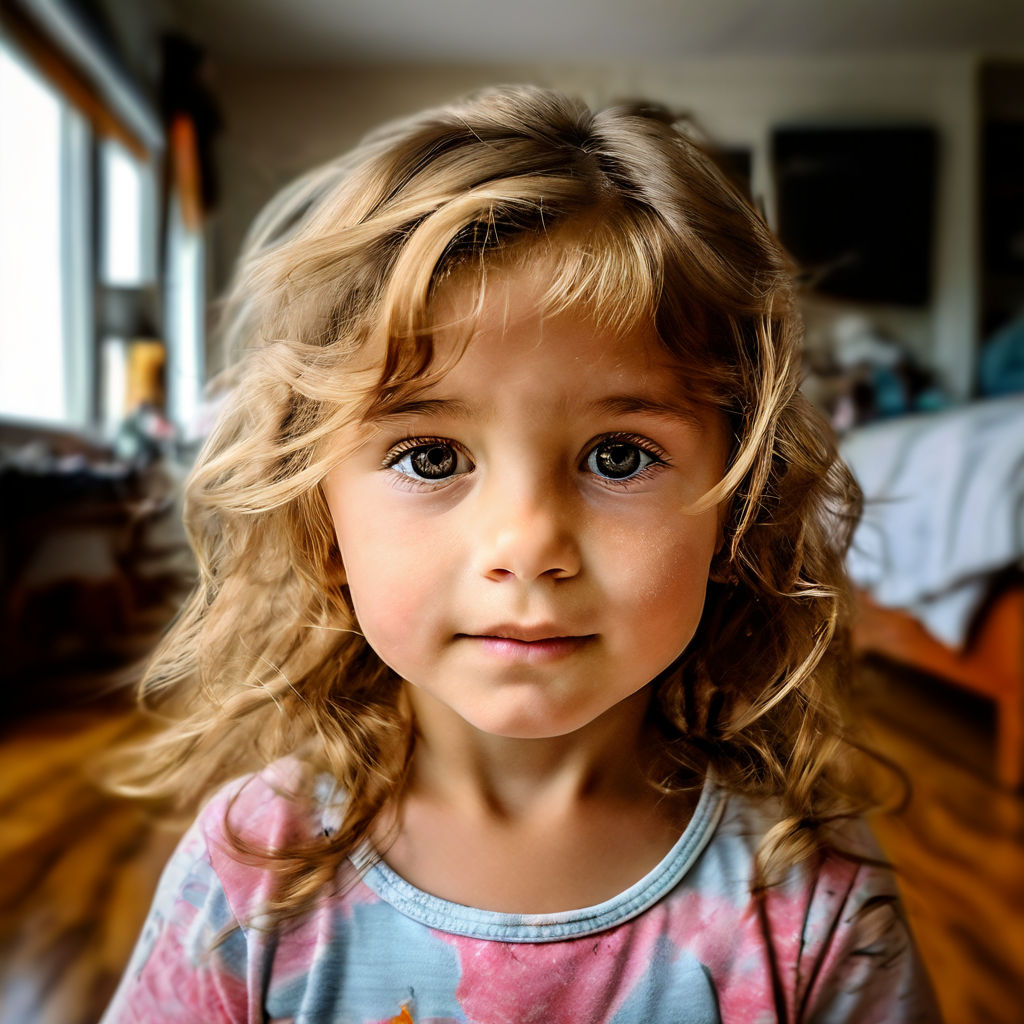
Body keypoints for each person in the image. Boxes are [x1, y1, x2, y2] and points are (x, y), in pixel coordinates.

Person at [100, 85, 938, 1023]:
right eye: (431, 457)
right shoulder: (249, 866)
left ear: (738, 506)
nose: (527, 548)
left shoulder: (806, 893)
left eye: (618, 457)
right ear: (318, 520)